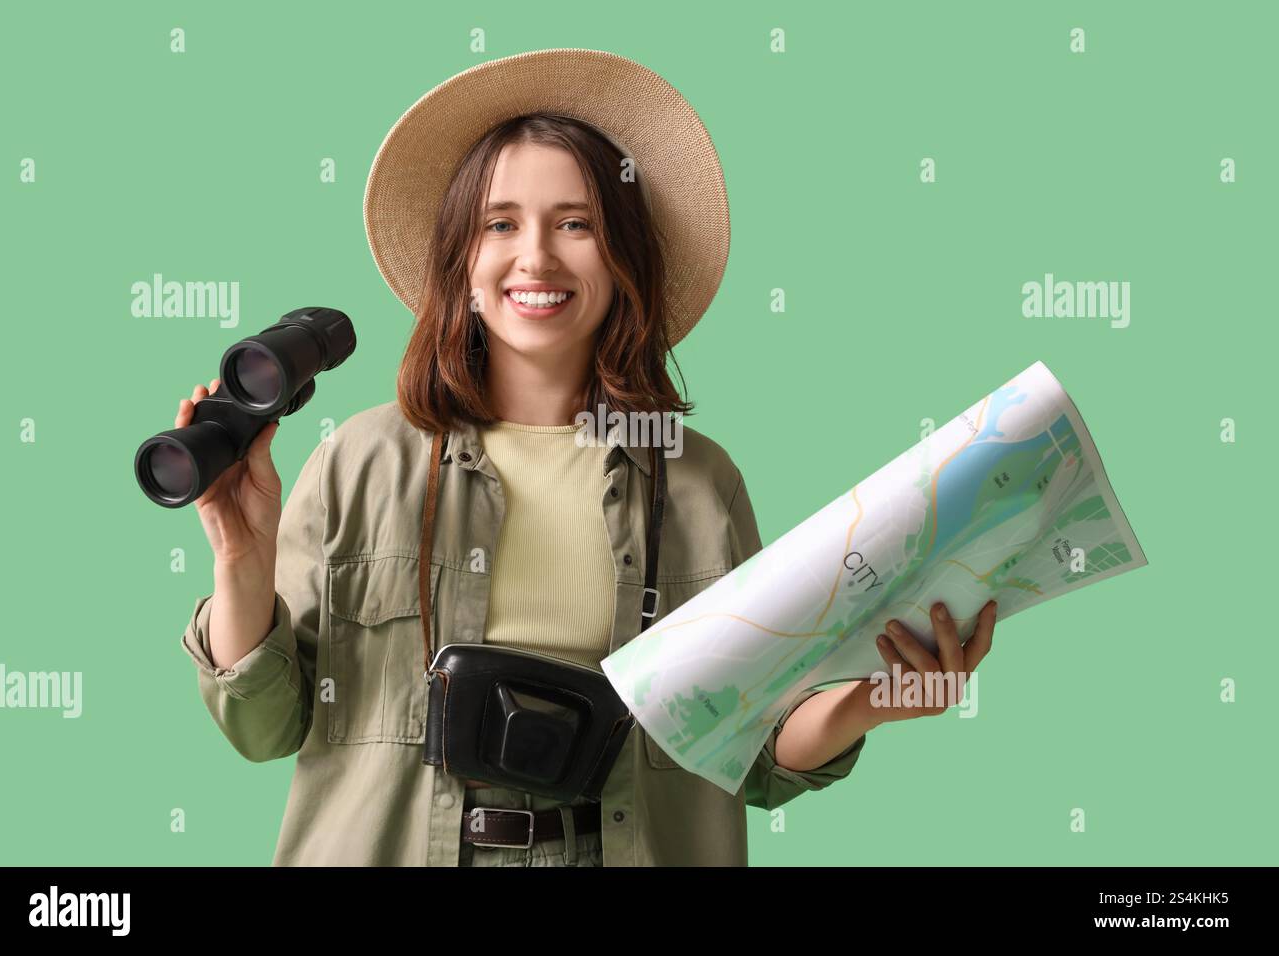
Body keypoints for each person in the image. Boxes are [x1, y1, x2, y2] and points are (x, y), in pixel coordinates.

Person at [176, 49, 994, 867]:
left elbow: (753, 753)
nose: (535, 257)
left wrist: (874, 701)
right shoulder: (358, 461)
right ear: (461, 262)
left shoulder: (698, 483)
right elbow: (263, 728)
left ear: (622, 259)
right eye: (500, 224)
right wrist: (240, 561)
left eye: (576, 224)